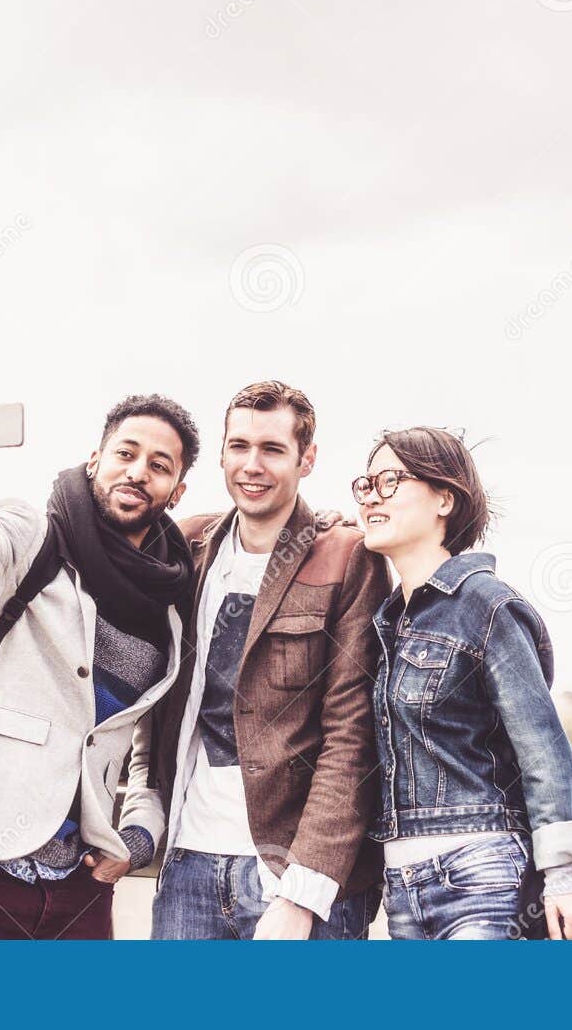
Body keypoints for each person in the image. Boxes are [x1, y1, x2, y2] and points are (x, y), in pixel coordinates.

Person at [0, 394, 198, 939]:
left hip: (79, 883)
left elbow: (150, 757)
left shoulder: (172, 605)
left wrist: (139, 840)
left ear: (176, 491)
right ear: (94, 461)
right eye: (125, 453)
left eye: (158, 465)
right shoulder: (32, 537)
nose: (136, 472)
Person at [144, 381, 389, 939]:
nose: (251, 466)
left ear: (307, 459)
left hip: (291, 875)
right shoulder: (186, 545)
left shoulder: (348, 555)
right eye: (239, 447)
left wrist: (303, 890)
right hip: (186, 859)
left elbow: (352, 736)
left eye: (273, 450)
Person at [355, 426, 572, 940]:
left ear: (445, 498)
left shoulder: (486, 606)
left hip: (480, 873)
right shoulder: (388, 619)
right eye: (366, 483)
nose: (373, 495)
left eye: (391, 480)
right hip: (402, 885)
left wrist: (564, 876)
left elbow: (541, 745)